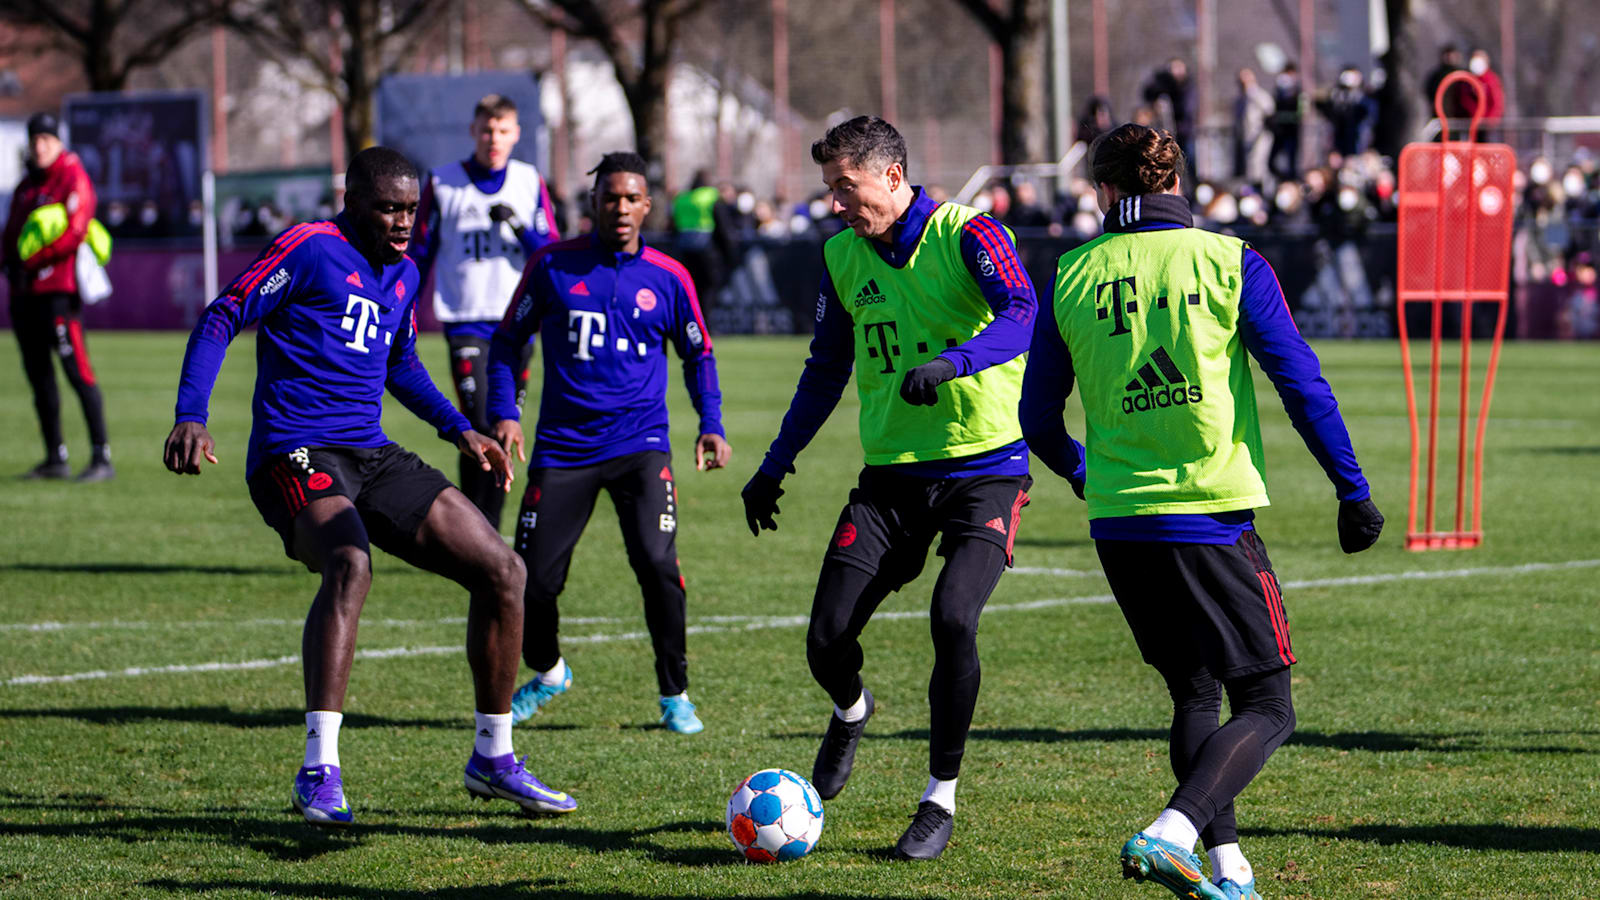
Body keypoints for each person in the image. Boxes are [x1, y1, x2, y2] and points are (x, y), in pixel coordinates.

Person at [1018, 124, 1384, 900]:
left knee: (1194, 692)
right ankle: (1172, 831)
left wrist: (1091, 476)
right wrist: (1352, 491)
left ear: (1107, 192)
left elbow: (1037, 419)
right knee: (1268, 705)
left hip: (1120, 524)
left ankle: (1228, 871)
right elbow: (1301, 384)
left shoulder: (1072, 275)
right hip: (1211, 519)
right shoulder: (1228, 260)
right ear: (1177, 181)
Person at [163, 146, 575, 827]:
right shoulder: (309, 248)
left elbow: (401, 363)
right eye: (387, 208)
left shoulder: (405, 273)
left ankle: (493, 759)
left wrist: (460, 430)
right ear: (352, 200)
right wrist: (191, 415)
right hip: (293, 450)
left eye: (410, 210)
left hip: (371, 454)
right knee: (350, 564)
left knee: (503, 569)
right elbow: (222, 315)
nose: (401, 222)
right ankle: (319, 769)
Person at [741, 116, 1036, 861]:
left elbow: (1024, 313)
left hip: (985, 470)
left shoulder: (970, 233)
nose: (836, 203)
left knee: (954, 619)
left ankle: (939, 798)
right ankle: (851, 709)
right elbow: (824, 370)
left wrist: (955, 364)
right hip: (891, 479)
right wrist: (775, 463)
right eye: (829, 189)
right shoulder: (842, 256)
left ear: (893, 177)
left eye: (847, 187)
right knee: (826, 639)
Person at [487, 151, 729, 734]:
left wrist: (711, 423)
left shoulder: (670, 277)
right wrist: (505, 412)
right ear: (593, 203)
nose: (620, 207)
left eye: (631, 198)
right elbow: (505, 343)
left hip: (641, 444)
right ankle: (547, 671)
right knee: (531, 581)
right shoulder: (550, 265)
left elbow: (698, 353)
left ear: (647, 205)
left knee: (657, 564)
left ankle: (676, 695)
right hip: (563, 449)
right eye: (609, 197)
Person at [411, 94, 560, 532]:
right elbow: (421, 252)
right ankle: (481, 529)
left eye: (502, 131)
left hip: (517, 323)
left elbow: (548, 254)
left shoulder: (528, 181)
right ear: (473, 131)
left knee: (503, 425)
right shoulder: (444, 182)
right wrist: (404, 310)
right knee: (479, 421)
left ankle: (481, 530)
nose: (493, 139)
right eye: (486, 130)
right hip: (467, 321)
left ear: (515, 135)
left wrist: (517, 223)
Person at [2, 112, 113, 481]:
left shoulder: (72, 177)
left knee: (76, 371)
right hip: (24, 294)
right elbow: (10, 234)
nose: (39, 146)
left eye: (46, 139)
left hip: (58, 293)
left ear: (59, 142)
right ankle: (55, 457)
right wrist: (10, 263)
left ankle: (101, 457)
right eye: (35, 140)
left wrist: (32, 261)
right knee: (39, 377)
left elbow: (75, 230)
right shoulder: (26, 186)